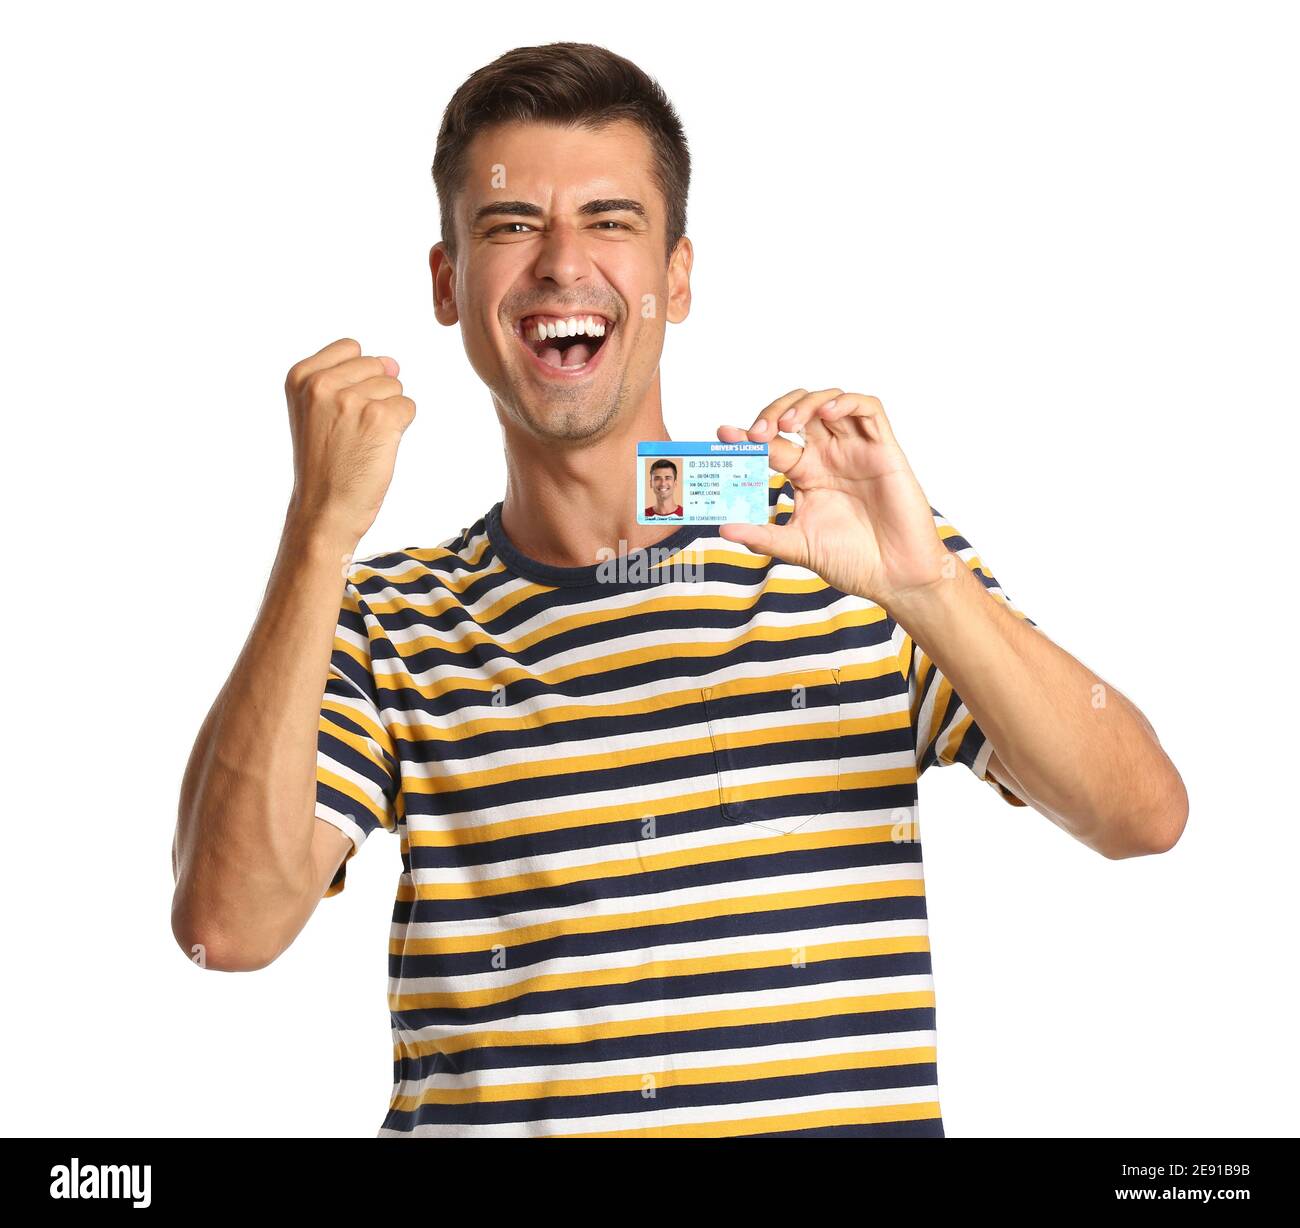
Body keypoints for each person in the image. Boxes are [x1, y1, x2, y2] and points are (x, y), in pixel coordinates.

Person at [171, 42, 1188, 1138]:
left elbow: (1142, 814)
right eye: (512, 226)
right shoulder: (381, 618)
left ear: (679, 276)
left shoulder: (853, 550)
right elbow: (225, 927)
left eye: (610, 221)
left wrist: (926, 587)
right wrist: (315, 535)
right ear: (447, 283)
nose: (563, 263)